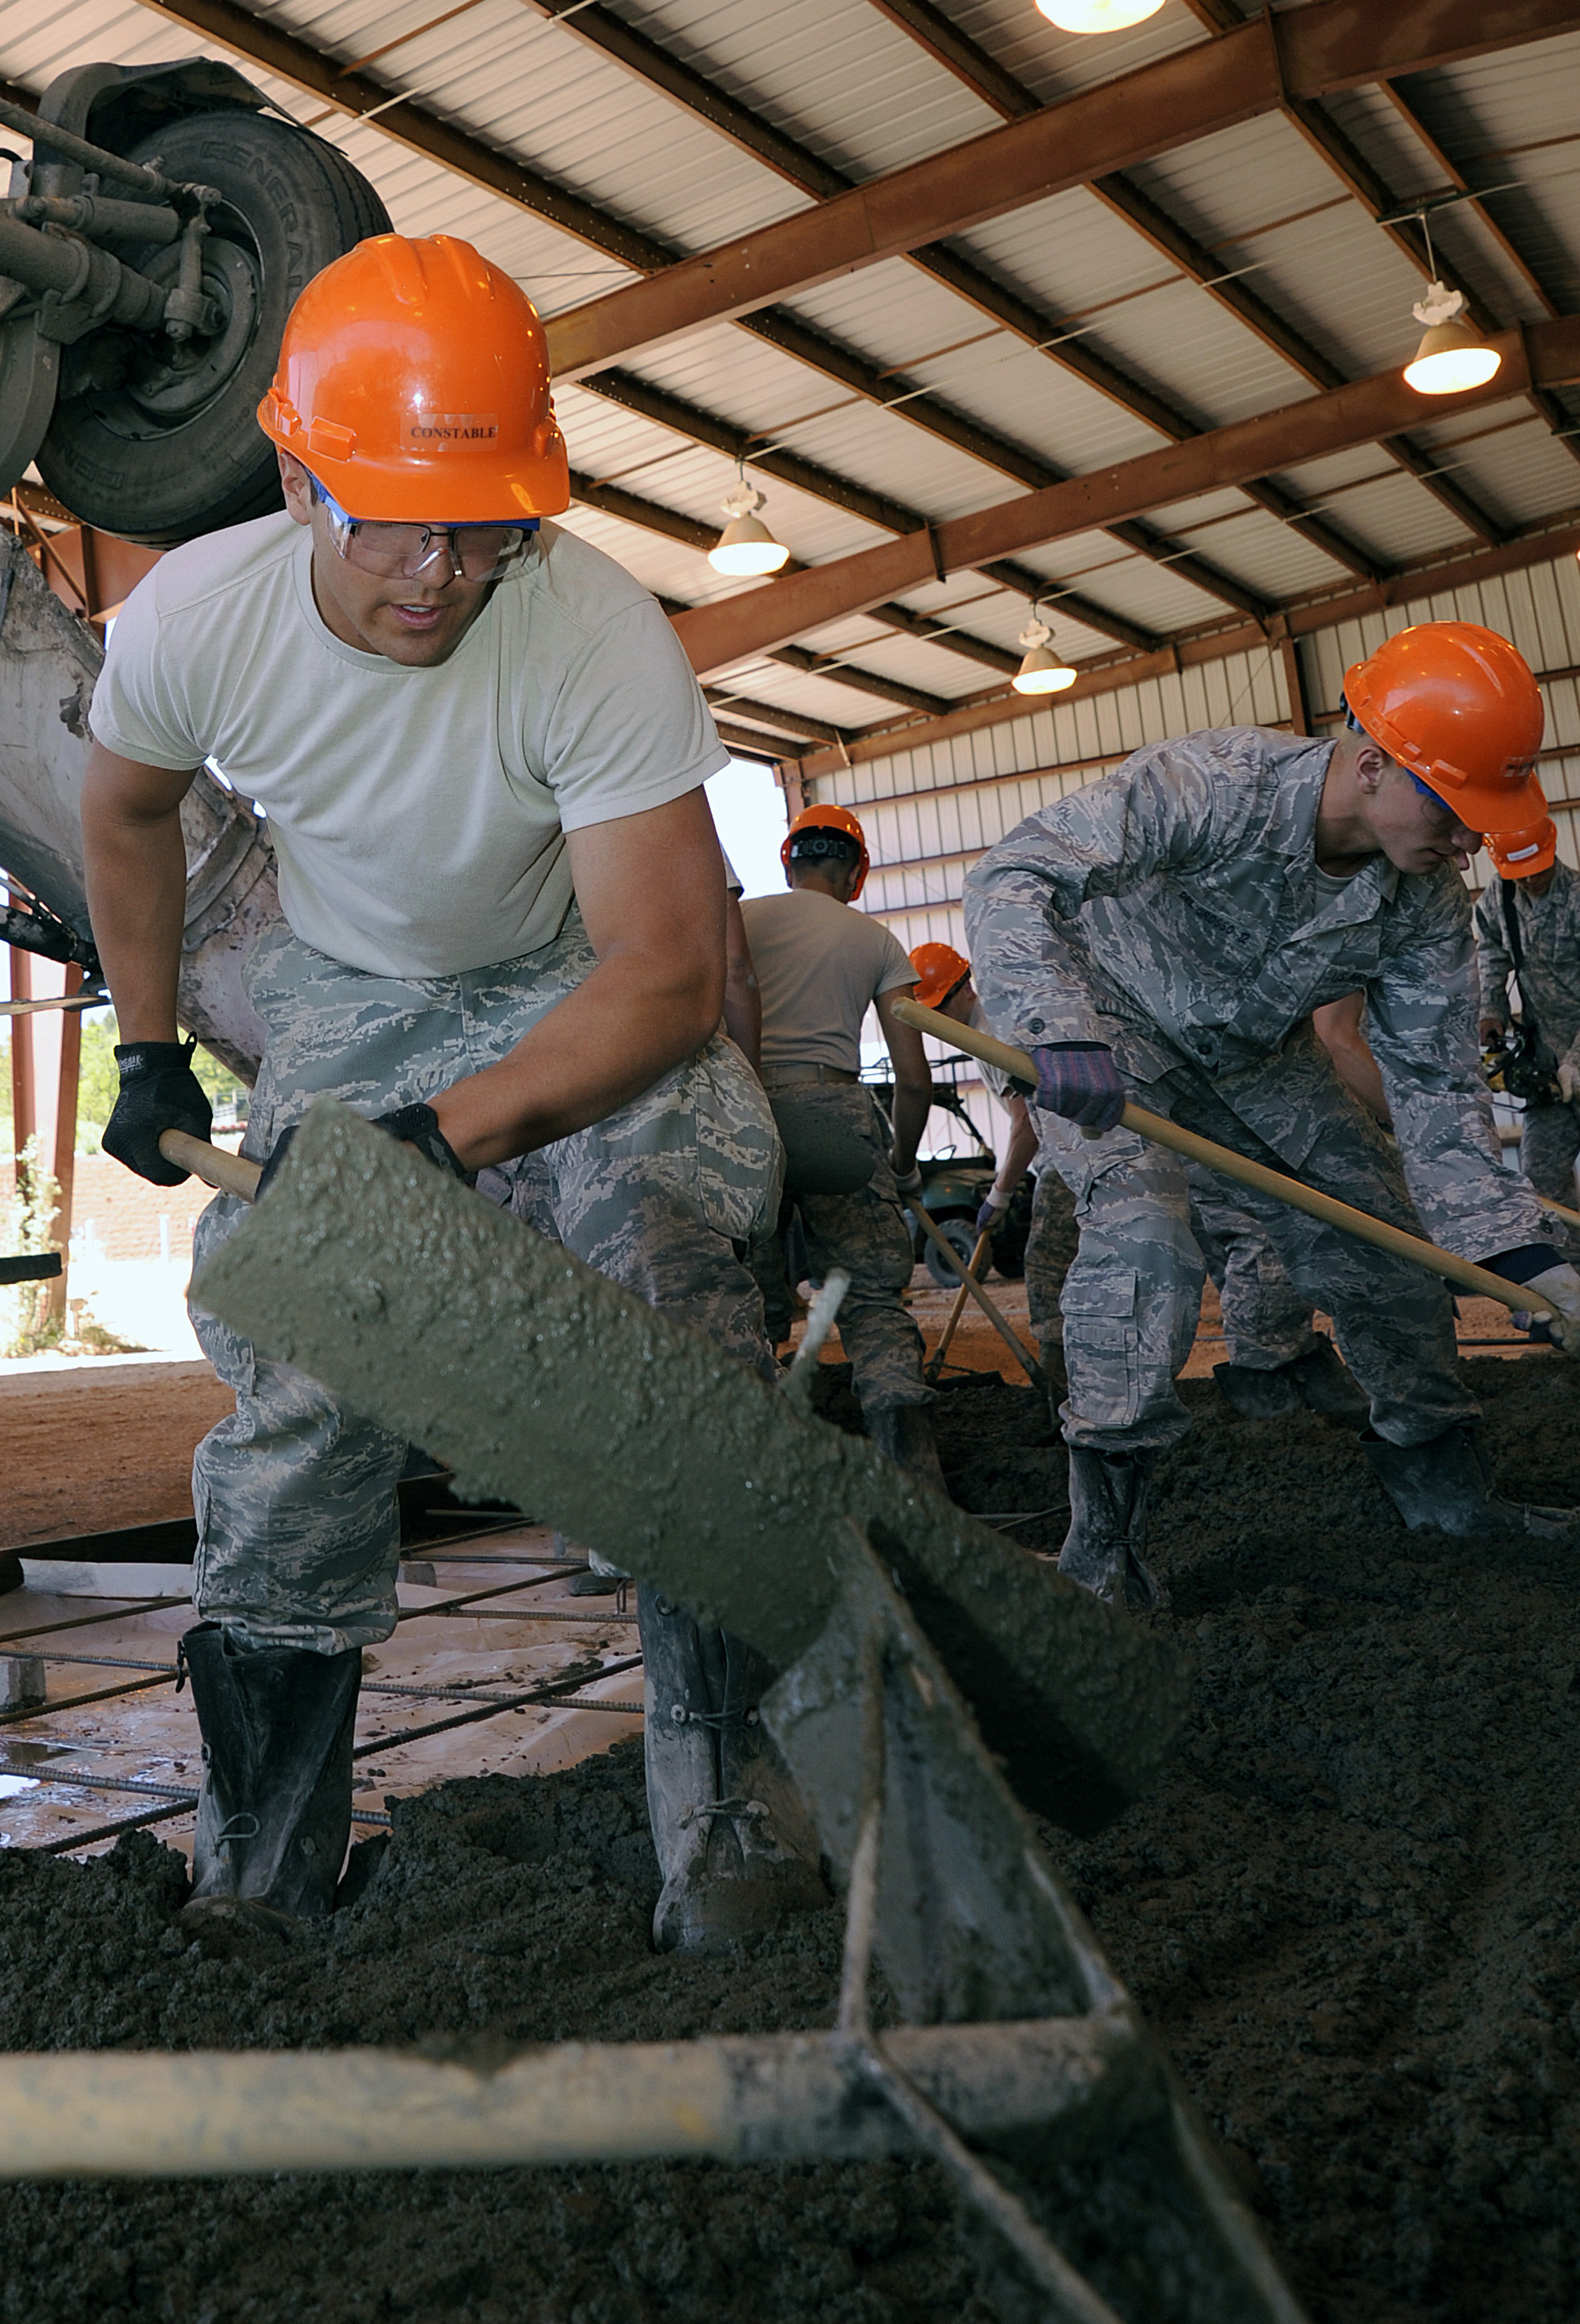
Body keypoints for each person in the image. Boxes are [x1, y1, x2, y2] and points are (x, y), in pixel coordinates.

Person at [80, 233, 823, 1954]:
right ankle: (265, 1855)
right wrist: (139, 1043)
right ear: (295, 471)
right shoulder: (196, 613)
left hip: (566, 983)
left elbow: (659, 970)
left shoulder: (587, 624)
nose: (437, 571)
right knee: (303, 1368)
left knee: (674, 1284)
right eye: (391, 517)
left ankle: (726, 1808)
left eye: (481, 521)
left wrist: (448, 1140)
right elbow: (125, 816)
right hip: (344, 988)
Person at [964, 619, 1580, 1607]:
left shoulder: (1423, 903)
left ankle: (1441, 1485)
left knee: (1384, 1241)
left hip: (1256, 1058)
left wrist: (1528, 1263)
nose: (1470, 836)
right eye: (1457, 805)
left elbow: (1436, 1096)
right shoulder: (1214, 783)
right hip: (1111, 1033)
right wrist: (1055, 1027)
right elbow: (1017, 874)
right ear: (1373, 763)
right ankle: (1105, 1549)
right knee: (1145, 1235)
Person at [916, 943, 1363, 1422]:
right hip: (1100, 1142)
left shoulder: (997, 1027)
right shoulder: (990, 1026)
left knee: (1057, 1262)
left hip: (1093, 1144)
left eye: (940, 1005)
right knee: (1214, 1238)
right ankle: (1246, 1365)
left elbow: (1025, 1124)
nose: (940, 1020)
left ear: (962, 988)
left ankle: (1075, 1390)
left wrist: (1000, 1192)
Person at [741, 804, 944, 1483]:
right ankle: (912, 1478)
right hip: (834, 1109)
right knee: (871, 1303)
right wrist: (904, 1164)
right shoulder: (875, 941)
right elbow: (912, 1081)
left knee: (748, 1308)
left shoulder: (737, 925)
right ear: (856, 872)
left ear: (788, 861)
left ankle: (762, 1485)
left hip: (744, 1117)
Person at [1474, 816, 1580, 1269]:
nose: (1532, 880)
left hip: (1575, 1052)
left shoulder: (1577, 898)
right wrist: (1490, 1012)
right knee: (1540, 1178)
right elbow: (1491, 953)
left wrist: (1576, 1061)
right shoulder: (1500, 897)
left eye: (1537, 869)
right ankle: (1575, 1291)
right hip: (1545, 1066)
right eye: (1521, 873)